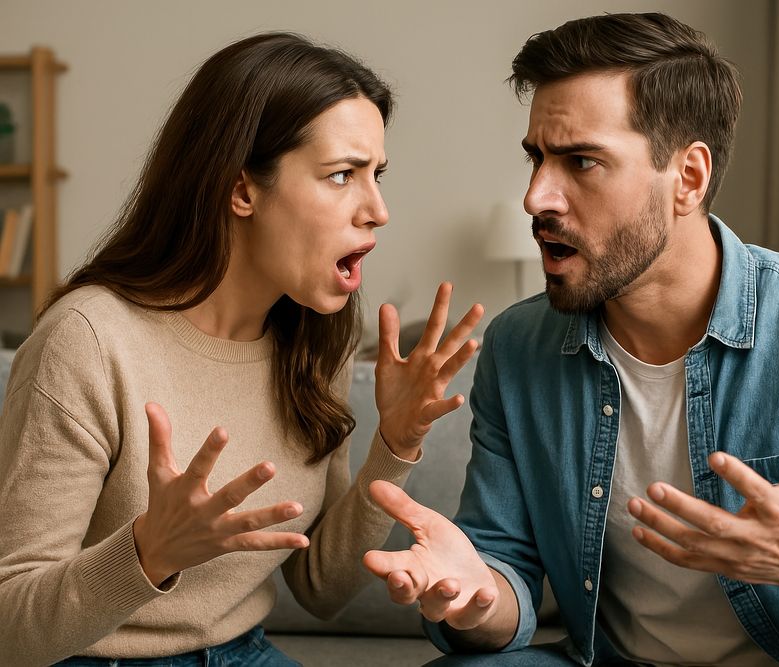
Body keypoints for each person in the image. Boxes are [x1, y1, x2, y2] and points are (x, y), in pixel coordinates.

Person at [363, 12, 779, 666]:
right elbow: (504, 575)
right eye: (537, 157)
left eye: (582, 161)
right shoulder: (518, 347)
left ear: (689, 179)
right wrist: (473, 593)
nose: (535, 197)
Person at [0, 32, 483, 666]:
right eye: (342, 175)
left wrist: (393, 447)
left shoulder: (312, 340)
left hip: (242, 652)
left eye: (377, 175)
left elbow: (322, 590)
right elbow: (8, 628)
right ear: (242, 191)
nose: (378, 210)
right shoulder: (88, 340)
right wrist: (147, 553)